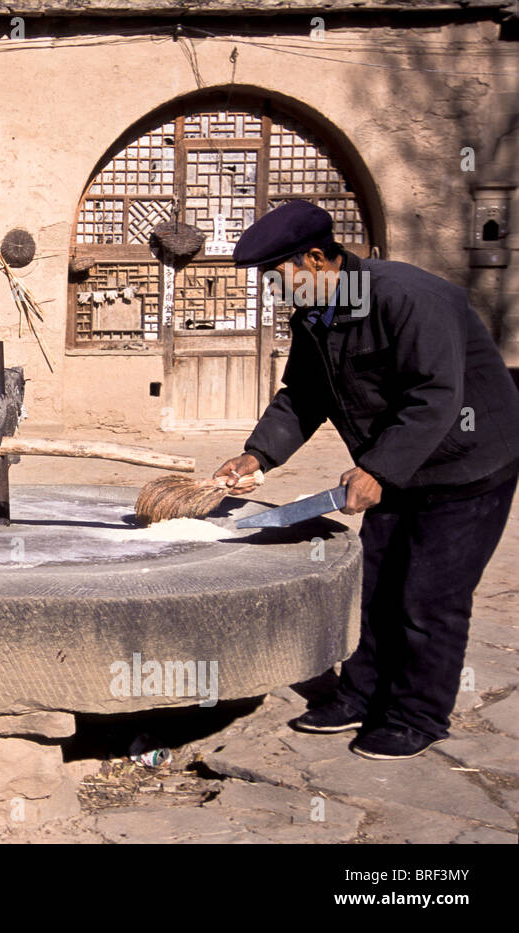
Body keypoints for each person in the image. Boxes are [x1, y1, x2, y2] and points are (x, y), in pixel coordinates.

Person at [214, 199, 519, 760]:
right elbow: (304, 395)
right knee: (374, 586)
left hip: (467, 466)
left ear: (315, 258)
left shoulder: (409, 297)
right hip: (398, 467)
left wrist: (378, 467)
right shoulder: (315, 312)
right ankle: (359, 694)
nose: (274, 291)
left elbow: (435, 396)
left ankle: (416, 715)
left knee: (428, 598)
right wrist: (257, 456)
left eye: (277, 277)